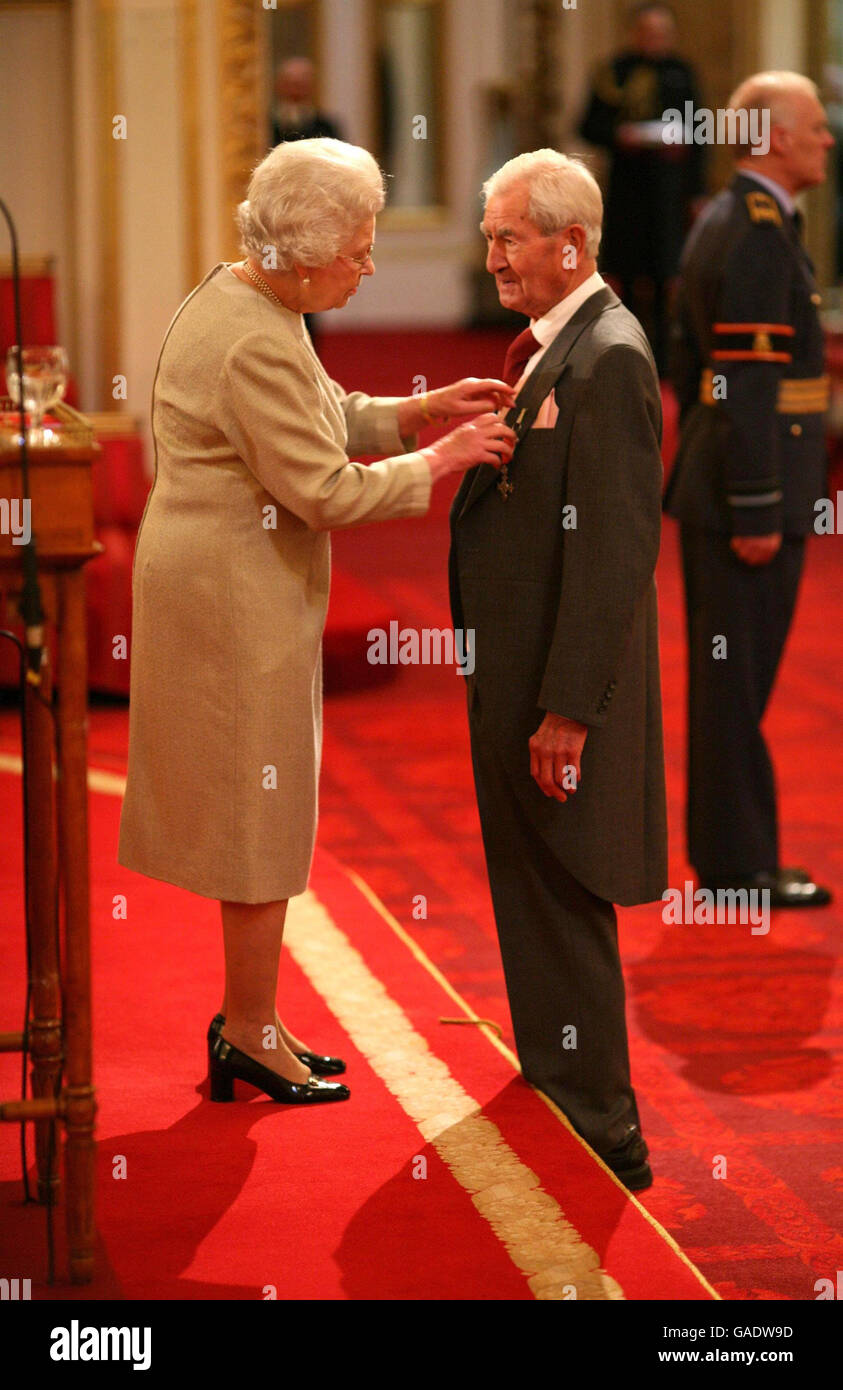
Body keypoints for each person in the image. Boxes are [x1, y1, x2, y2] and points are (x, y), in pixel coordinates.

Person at [118, 138, 515, 1107]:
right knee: (256, 813)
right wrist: (450, 455)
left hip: (232, 580)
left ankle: (252, 1016)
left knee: (263, 806)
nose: (370, 266)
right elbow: (326, 488)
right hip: (229, 598)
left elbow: (322, 410)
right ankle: (248, 1032)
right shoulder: (257, 329)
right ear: (300, 251)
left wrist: (418, 410)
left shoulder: (251, 295)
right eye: (359, 249)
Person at [449, 150, 667, 1190]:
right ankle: (556, 1087)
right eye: (491, 235)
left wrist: (568, 711)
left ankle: (604, 1132)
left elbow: (617, 554)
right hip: (518, 677)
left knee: (566, 896)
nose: (491, 256)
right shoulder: (559, 345)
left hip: (555, 694)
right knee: (533, 892)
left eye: (507, 238)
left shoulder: (609, 354)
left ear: (567, 244)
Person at [666, 72, 834, 908]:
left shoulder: (729, 218)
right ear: (771, 138)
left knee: (731, 681)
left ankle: (735, 858)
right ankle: (738, 869)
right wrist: (759, 504)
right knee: (733, 686)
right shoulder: (758, 232)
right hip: (745, 495)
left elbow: (687, 366)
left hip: (719, 480)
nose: (827, 140)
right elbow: (744, 379)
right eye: (813, 127)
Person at [578, 1, 705, 372]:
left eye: (662, 33)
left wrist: (697, 192)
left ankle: (665, 359)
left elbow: (699, 137)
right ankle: (628, 352)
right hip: (628, 191)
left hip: (669, 193)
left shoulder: (683, 72)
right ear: (635, 33)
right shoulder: (613, 71)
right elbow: (587, 126)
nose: (655, 40)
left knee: (667, 274)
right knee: (628, 275)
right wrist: (621, 135)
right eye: (648, 33)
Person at [271, 58, 342, 146]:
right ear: (279, 86)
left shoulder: (326, 127)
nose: (295, 91)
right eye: (290, 84)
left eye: (301, 85)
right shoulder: (265, 125)